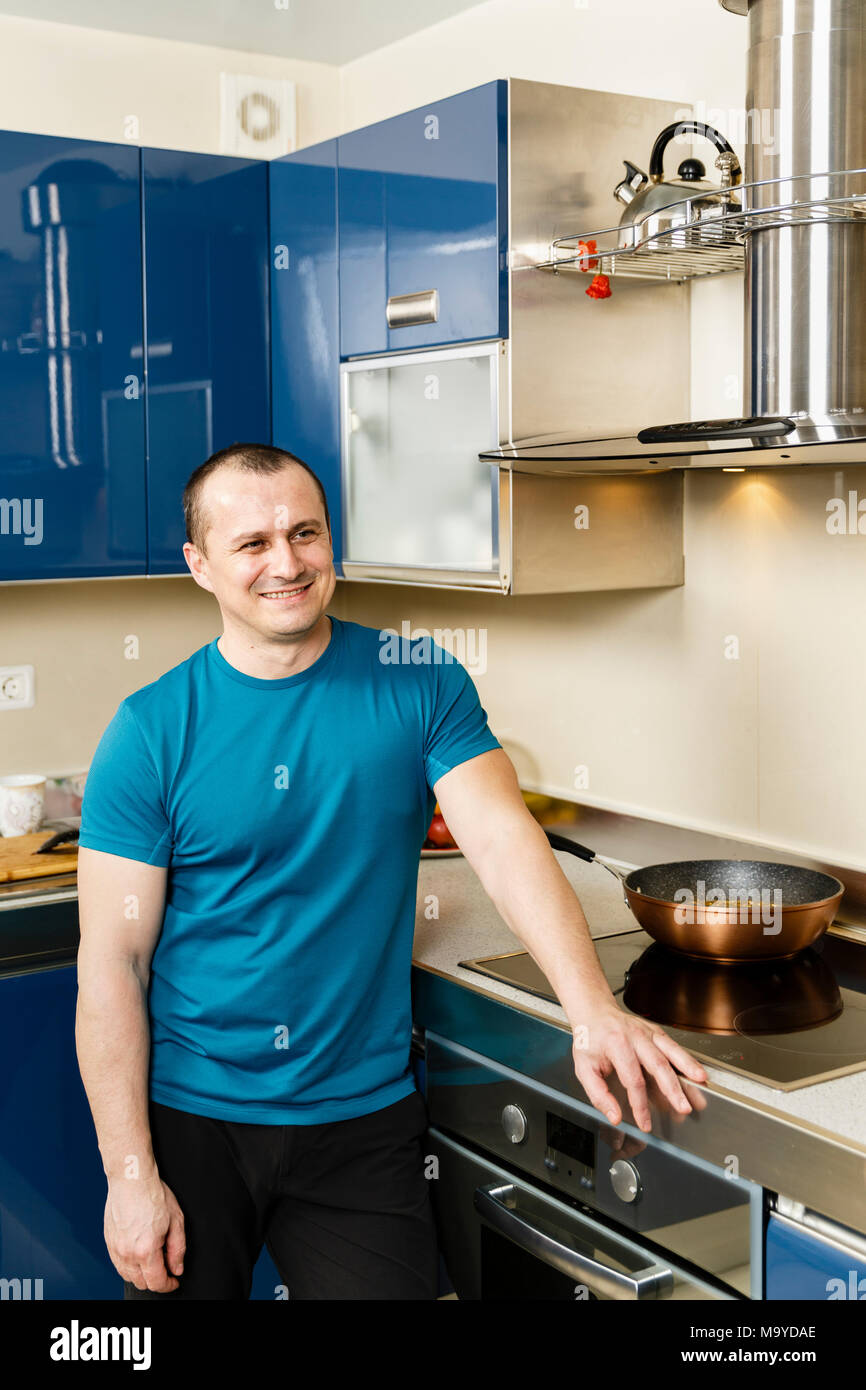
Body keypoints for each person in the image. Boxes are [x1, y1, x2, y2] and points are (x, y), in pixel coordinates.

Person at [75, 442, 707, 1301]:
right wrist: (128, 1175)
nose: (287, 563)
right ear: (200, 564)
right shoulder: (150, 732)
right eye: (252, 544)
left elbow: (503, 840)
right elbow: (113, 962)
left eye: (306, 532)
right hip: (195, 1118)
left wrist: (592, 1010)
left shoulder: (417, 680)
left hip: (361, 1117)